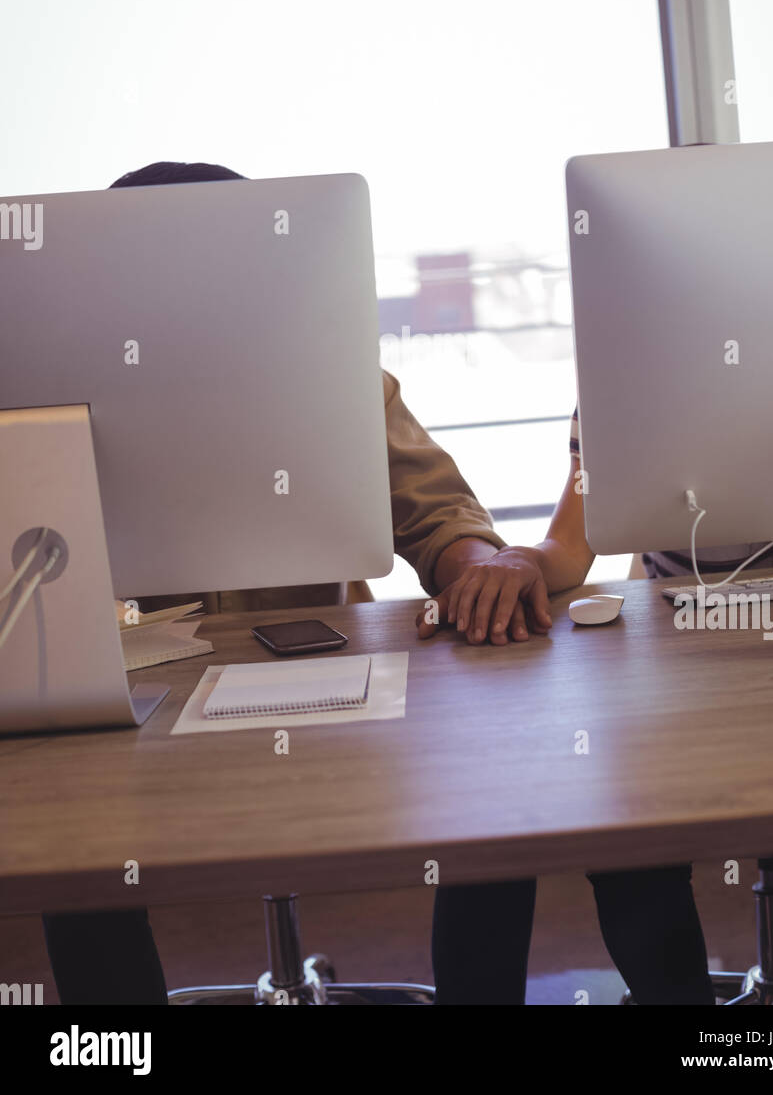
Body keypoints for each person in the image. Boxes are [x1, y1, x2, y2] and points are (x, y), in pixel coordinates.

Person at [41, 161, 577, 1004]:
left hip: (319, 700)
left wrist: (480, 563)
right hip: (130, 715)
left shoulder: (332, 377)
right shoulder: (48, 392)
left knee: (495, 795)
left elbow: (437, 515)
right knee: (60, 835)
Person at [419, 407, 773, 1004]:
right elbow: (571, 545)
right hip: (688, 682)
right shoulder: (627, 364)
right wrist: (522, 560)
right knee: (627, 849)